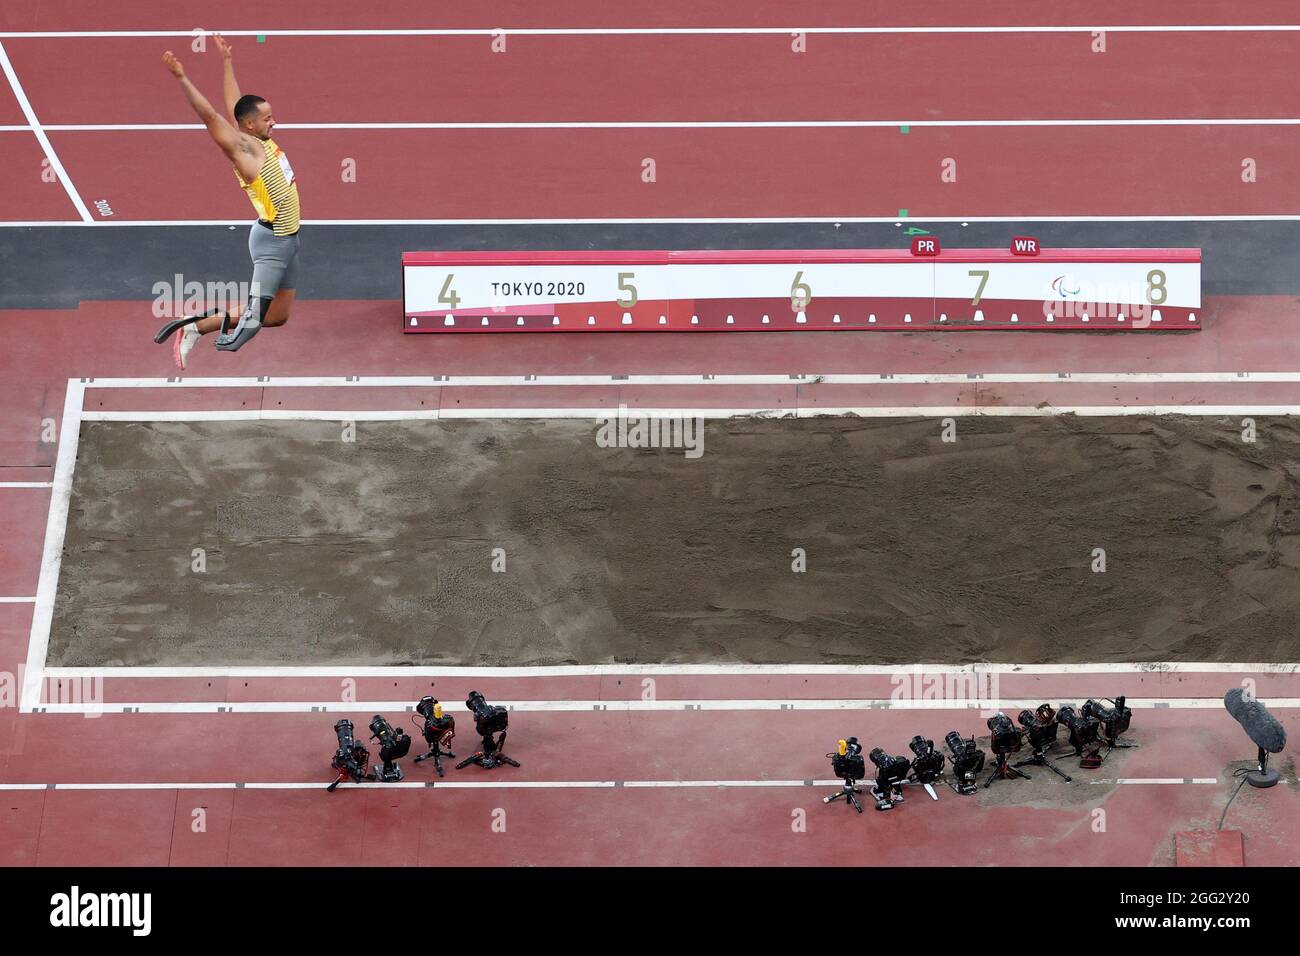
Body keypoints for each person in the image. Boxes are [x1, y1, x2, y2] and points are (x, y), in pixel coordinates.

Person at [154, 33, 300, 368]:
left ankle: (194, 326)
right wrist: (182, 77)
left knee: (277, 315)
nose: (273, 121)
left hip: (290, 239)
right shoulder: (245, 156)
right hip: (272, 241)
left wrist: (227, 62)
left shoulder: (256, 138)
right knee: (255, 314)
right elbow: (211, 116)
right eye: (267, 118)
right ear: (251, 125)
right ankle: (194, 329)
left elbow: (234, 107)